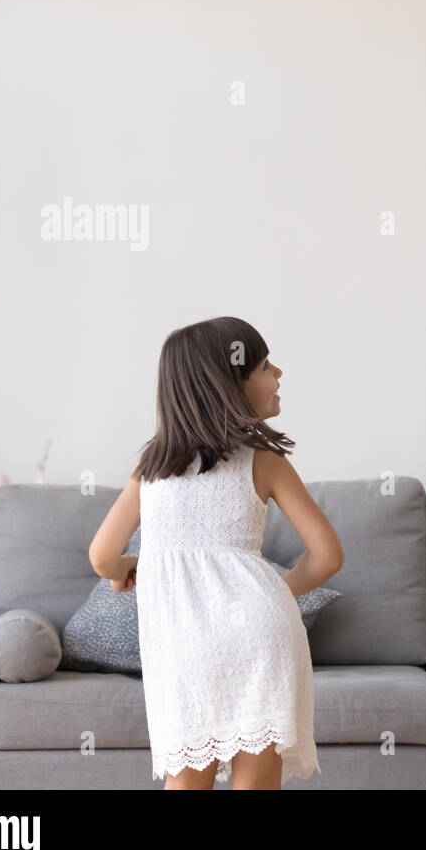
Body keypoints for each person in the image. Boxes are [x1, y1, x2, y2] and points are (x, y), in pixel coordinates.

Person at [88, 316, 344, 789]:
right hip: (261, 640)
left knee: (186, 782)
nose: (280, 374)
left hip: (182, 653)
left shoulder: (150, 469)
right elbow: (327, 556)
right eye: (266, 366)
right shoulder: (264, 460)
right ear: (229, 384)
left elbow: (102, 555)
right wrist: (274, 594)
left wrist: (126, 567)